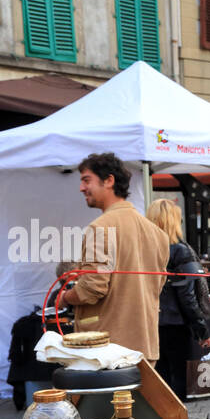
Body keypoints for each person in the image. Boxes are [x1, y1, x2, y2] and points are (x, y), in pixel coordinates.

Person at [59, 153, 169, 361]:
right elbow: (156, 286)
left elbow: (92, 288)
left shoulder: (100, 227)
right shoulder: (158, 234)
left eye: (86, 180)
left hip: (106, 350)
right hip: (145, 345)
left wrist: (65, 297)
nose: (82, 188)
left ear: (109, 181)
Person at [147, 199, 210, 401]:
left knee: (160, 375)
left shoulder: (143, 249)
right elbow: (187, 295)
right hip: (174, 322)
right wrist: (201, 328)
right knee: (178, 377)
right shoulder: (179, 249)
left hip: (150, 320)